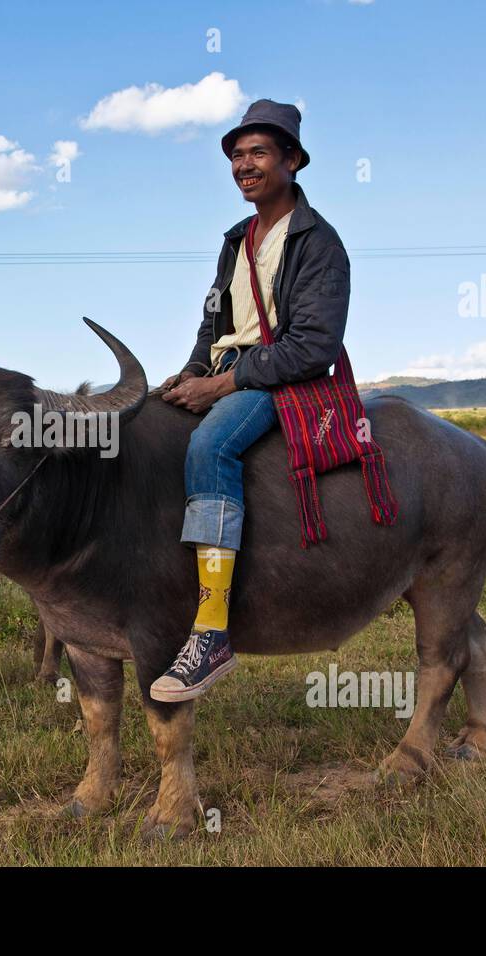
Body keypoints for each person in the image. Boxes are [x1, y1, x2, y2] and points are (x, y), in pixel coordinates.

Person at [151, 99, 351, 703]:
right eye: (237, 155)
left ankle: (212, 630)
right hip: (226, 369)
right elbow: (213, 322)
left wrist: (224, 384)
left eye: (258, 152)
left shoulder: (320, 243)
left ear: (292, 160)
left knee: (212, 444)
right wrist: (188, 373)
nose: (245, 165)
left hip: (279, 379)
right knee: (150, 429)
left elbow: (313, 345)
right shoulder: (236, 240)